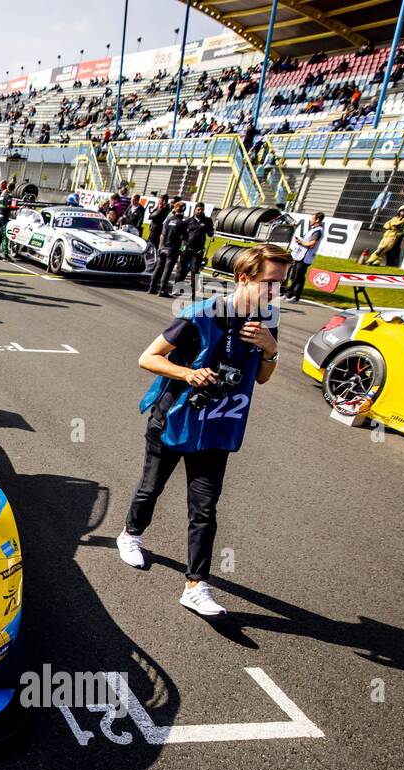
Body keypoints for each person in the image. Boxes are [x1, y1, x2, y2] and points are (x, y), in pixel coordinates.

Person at [117, 243, 287, 616]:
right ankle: (130, 534)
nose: (277, 293)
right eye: (271, 284)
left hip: (217, 426)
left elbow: (261, 378)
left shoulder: (267, 321)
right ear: (245, 278)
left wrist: (271, 350)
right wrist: (188, 373)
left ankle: (195, 586)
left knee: (205, 510)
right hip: (174, 419)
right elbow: (147, 357)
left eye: (281, 286)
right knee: (150, 490)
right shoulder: (200, 315)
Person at [174, 202, 213, 296]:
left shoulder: (207, 221)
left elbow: (210, 234)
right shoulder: (188, 221)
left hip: (198, 250)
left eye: (202, 210)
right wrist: (182, 245)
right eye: (198, 209)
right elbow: (181, 235)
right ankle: (178, 288)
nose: (200, 211)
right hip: (186, 248)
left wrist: (211, 229)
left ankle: (193, 292)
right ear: (195, 210)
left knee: (195, 271)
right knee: (181, 269)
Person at [147, 201, 186, 296]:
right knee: (167, 270)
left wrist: (160, 247)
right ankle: (162, 290)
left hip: (163, 247)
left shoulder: (168, 221)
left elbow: (162, 235)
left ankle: (152, 287)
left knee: (159, 267)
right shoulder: (182, 223)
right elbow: (184, 237)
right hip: (172, 249)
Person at [284, 211, 323, 301]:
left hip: (305, 258)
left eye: (312, 218)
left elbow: (312, 244)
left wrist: (301, 242)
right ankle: (289, 293)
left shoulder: (318, 231)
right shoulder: (313, 229)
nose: (310, 220)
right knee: (294, 276)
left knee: (298, 277)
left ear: (317, 220)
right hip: (300, 256)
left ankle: (295, 296)